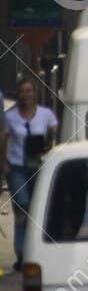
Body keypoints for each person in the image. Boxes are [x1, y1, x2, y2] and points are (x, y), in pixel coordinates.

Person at [3, 77, 59, 268]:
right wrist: (4, 163)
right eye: (22, 91)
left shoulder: (45, 114)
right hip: (17, 167)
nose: (25, 95)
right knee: (22, 207)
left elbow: (54, 132)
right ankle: (21, 253)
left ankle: (36, 251)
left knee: (37, 209)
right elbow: (3, 138)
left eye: (29, 91)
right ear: (18, 94)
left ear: (34, 93)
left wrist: (48, 146)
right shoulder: (10, 117)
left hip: (38, 166)